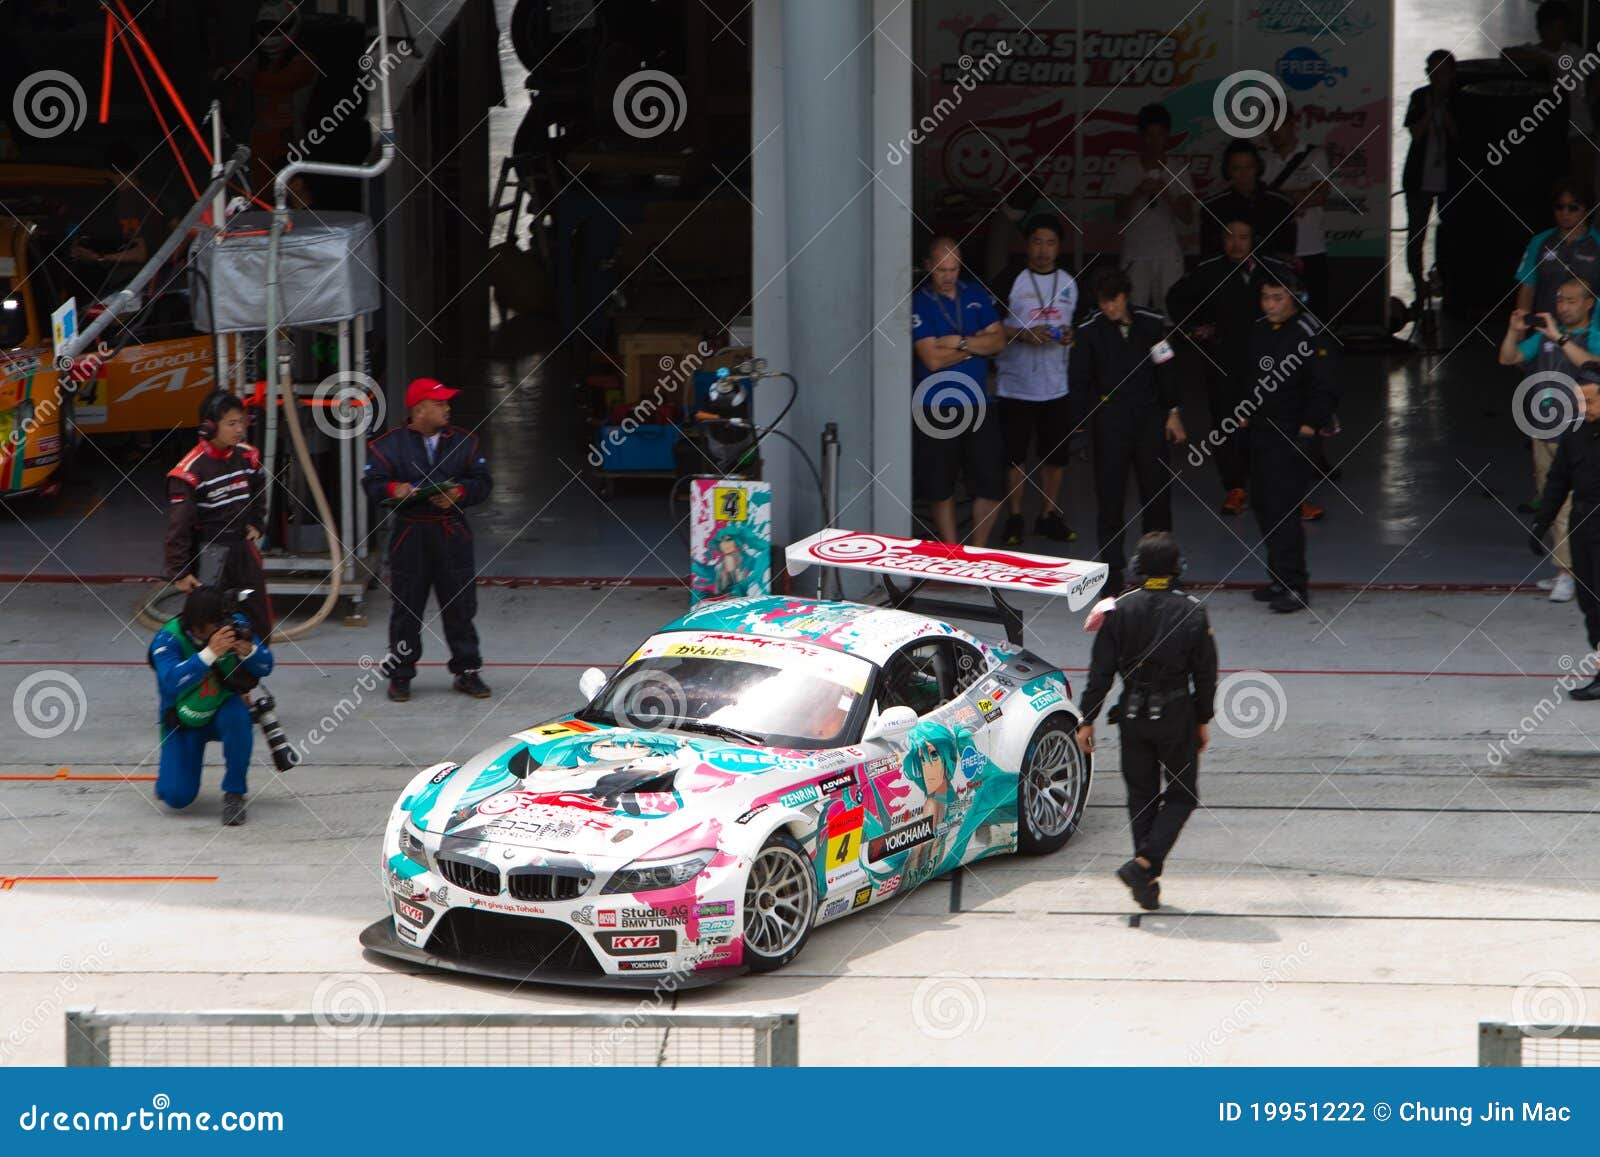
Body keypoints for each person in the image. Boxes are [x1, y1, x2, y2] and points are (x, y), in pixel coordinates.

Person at [1076, 531, 1217, 910]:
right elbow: (1205, 674)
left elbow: (1100, 673)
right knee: (1183, 795)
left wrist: (1086, 720)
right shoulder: (1192, 610)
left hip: (1133, 717)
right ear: (1176, 567)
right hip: (1176, 716)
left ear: (1137, 567)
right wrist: (1203, 718)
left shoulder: (1116, 610)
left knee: (1141, 799)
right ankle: (1145, 864)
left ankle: (1145, 879)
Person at [363, 378, 494, 702]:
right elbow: (372, 483)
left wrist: (458, 494)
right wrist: (394, 489)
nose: (447, 408)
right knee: (406, 608)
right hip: (411, 534)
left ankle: (467, 671)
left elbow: (483, 482)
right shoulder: (388, 445)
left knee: (460, 607)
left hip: (452, 532)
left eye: (447, 403)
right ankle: (401, 674)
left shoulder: (465, 442)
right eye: (440, 404)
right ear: (420, 410)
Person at [1166, 219, 1294, 516]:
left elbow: (1298, 301)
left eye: (1243, 237)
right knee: (1225, 422)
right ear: (1221, 240)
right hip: (1222, 361)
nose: (1236, 243)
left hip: (1268, 364)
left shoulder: (1273, 268)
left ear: (1254, 239)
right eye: (1230, 237)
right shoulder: (1209, 269)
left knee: (1271, 420)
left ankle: (1278, 488)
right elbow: (1175, 298)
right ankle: (1235, 487)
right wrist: (1195, 329)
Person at [1070, 266, 1184, 594]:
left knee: (1157, 498)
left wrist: (1173, 412)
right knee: (1109, 502)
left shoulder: (1151, 323)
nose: (1109, 308)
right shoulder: (1089, 330)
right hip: (1110, 424)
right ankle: (1112, 574)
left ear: (1126, 296)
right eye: (1104, 301)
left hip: (1150, 420)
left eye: (1115, 300)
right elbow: (1079, 384)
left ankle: (1160, 570)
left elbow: (1167, 370)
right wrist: (1080, 430)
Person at [1498, 277, 1600, 603]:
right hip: (1545, 428)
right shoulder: (1545, 335)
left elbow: (1591, 363)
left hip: (1580, 432)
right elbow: (1508, 359)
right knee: (1550, 498)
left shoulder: (1593, 337)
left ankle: (1567, 574)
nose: (1563, 306)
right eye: (1559, 299)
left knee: (1571, 504)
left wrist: (1561, 336)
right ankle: (1568, 570)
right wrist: (1516, 330)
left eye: (1571, 300)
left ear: (1589, 304)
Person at [1245, 269, 1339, 613]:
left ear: (1295, 298)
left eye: (1278, 298)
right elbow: (1251, 375)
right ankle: (1278, 577)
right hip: (1260, 430)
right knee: (1262, 504)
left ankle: (1295, 585)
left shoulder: (1311, 334)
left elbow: (1325, 387)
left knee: (1284, 510)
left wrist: (1309, 428)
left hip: (1292, 432)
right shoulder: (1259, 330)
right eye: (1266, 298)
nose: (1270, 305)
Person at [149, 585, 275, 825]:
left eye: (217, 625)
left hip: (221, 710)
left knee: (239, 717)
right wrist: (209, 653)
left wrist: (250, 653)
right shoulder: (167, 638)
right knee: (177, 797)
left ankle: (235, 792)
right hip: (182, 719)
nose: (218, 630)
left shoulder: (235, 626)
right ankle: (168, 779)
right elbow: (171, 681)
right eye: (207, 628)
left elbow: (266, 666)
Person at [910, 235, 1008, 546]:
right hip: (933, 405)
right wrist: (975, 347)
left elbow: (1000, 341)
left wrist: (959, 342)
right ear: (928, 267)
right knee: (940, 487)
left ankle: (976, 553)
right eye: (941, 269)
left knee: (992, 483)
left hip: (979, 402)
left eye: (953, 268)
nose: (948, 275)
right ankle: (952, 553)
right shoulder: (919, 301)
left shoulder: (975, 293)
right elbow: (932, 358)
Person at [995, 214, 1078, 547]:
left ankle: (1048, 515)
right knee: (1015, 455)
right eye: (1037, 242)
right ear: (1027, 244)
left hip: (1056, 384)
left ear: (1059, 247)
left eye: (1051, 243)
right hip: (1015, 385)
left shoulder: (1070, 282)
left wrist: (1071, 335)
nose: (1043, 250)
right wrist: (1020, 334)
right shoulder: (1010, 279)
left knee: (1055, 456)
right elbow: (986, 327)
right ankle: (1015, 516)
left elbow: (1082, 328)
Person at [165, 391, 272, 638]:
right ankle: (214, 675)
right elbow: (178, 526)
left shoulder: (247, 455)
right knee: (211, 621)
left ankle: (252, 672)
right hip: (210, 551)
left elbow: (259, 489)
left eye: (241, 422)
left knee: (259, 618)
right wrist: (179, 572)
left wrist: (257, 522)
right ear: (209, 427)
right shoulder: (188, 472)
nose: (239, 430)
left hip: (243, 547)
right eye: (231, 424)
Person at [1532, 372, 1600, 699]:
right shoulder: (1575, 433)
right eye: (1578, 400)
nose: (1582, 407)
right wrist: (1541, 523)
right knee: (1590, 603)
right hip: (1584, 522)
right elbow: (1558, 481)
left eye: (1590, 400)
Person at [1108, 103, 1195, 312]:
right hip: (1135, 252)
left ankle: (1165, 347)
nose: (1154, 141)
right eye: (1149, 135)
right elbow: (1119, 215)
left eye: (1160, 135)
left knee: (1169, 313)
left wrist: (1167, 193)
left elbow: (1188, 217)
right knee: (1132, 314)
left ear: (1167, 136)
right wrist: (1139, 191)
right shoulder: (1127, 168)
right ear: (1141, 136)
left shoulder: (1177, 169)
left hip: (1167, 253)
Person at [1261, 99, 1332, 319]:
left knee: (1314, 316)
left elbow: (1319, 195)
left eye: (1278, 123)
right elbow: (1258, 201)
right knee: (1275, 317)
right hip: (1274, 253)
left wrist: (1280, 198)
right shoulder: (1262, 161)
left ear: (1292, 123)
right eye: (1268, 124)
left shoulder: (1314, 155)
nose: (1274, 130)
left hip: (1310, 250)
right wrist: (1298, 195)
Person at [1401, 50, 1458, 309]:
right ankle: (1418, 287)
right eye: (1433, 72)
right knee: (1416, 235)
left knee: (1450, 233)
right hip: (1419, 178)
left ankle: (1447, 282)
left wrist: (1445, 115)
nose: (1438, 78)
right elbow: (1415, 132)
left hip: (1450, 178)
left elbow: (1462, 137)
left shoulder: (1460, 98)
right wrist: (1431, 108)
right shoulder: (1419, 97)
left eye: (1443, 72)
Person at [69, 142, 164, 292]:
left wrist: (100, 258)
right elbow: (181, 231)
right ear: (137, 165)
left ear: (108, 172)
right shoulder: (159, 196)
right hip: (161, 280)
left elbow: (139, 253)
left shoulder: (127, 201)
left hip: (132, 285)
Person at [1514, 181, 1600, 321]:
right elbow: (1527, 289)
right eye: (1559, 207)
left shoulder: (1598, 244)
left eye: (1573, 208)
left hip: (1589, 336)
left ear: (1587, 209)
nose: (1564, 213)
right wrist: (1520, 331)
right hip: (1544, 331)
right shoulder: (1539, 241)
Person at [1200, 140, 1295, 259]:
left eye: (1249, 167)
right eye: (1236, 168)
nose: (1244, 174)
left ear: (1258, 167)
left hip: (1272, 274)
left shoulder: (1281, 204)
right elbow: (1209, 256)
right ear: (1227, 170)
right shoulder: (1212, 208)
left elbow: (1288, 256)